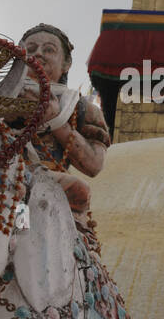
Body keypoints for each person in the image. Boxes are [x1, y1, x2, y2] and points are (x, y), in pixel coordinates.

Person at [17, 23, 111, 220]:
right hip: (2, 180)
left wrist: (56, 121)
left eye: (49, 49)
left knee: (76, 191)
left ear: (66, 64)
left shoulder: (79, 107)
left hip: (48, 184)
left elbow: (94, 164)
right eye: (30, 49)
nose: (39, 54)